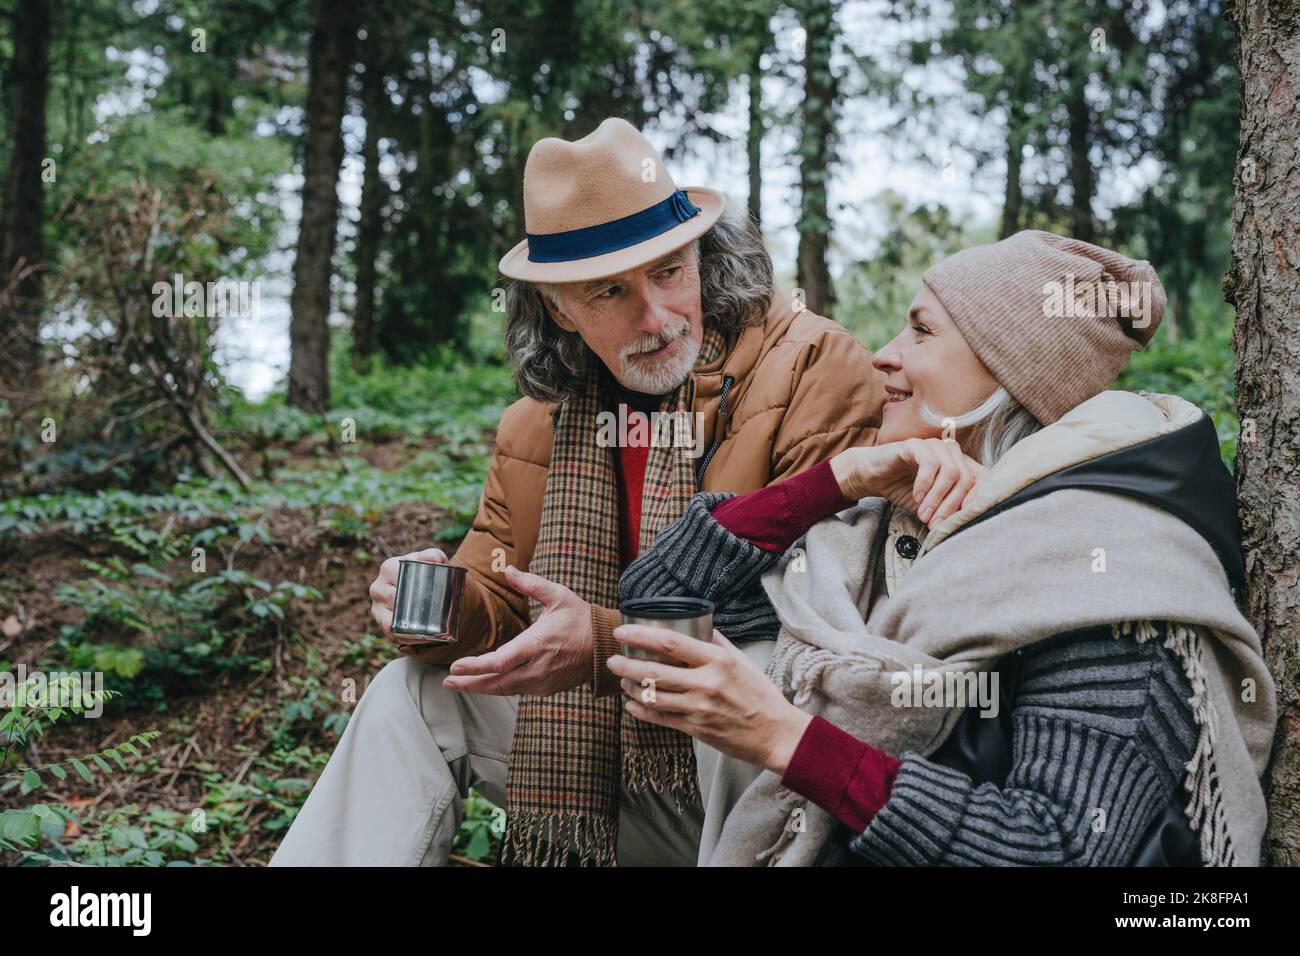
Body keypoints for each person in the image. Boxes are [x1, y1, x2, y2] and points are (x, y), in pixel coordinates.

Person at [268, 118, 886, 867]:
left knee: (751, 658)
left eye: (668, 271)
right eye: (609, 292)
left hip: (767, 795)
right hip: (614, 783)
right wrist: (436, 604)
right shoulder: (541, 423)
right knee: (412, 693)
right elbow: (498, 598)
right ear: (559, 308)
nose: (656, 318)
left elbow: (797, 614)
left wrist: (597, 644)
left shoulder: (810, 365)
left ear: (699, 253)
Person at [609, 229, 1278, 866]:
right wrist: (835, 480)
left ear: (1013, 376)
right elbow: (655, 597)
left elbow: (1059, 847)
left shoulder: (1109, 570)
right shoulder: (895, 524)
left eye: (923, 330)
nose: (883, 354)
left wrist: (784, 739)